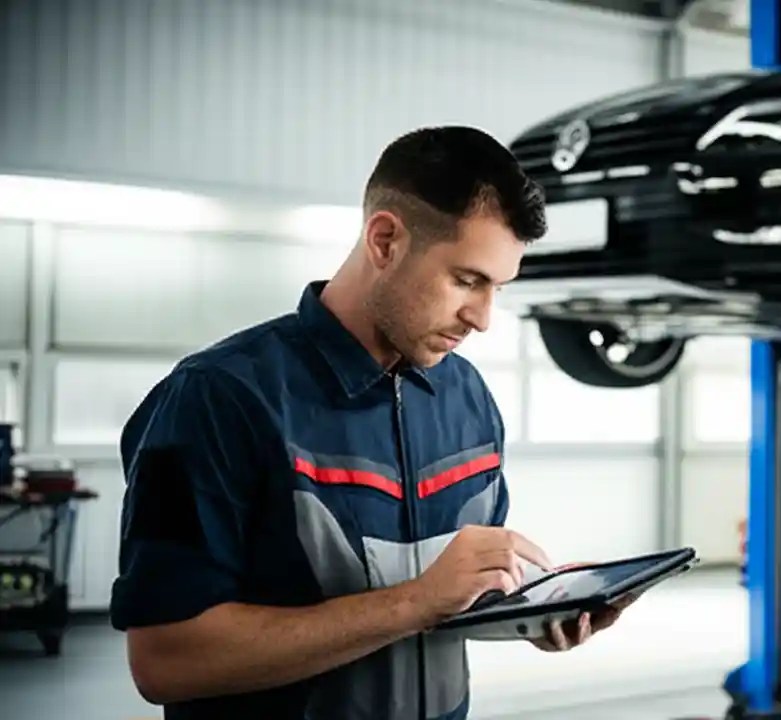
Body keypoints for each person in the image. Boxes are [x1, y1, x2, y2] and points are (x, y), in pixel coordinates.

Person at [110, 126, 630, 720]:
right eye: (466, 280)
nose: (483, 318)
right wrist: (415, 602)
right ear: (385, 240)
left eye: (498, 288)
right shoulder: (218, 399)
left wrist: (532, 607)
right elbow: (166, 661)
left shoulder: (468, 399)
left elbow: (451, 602)